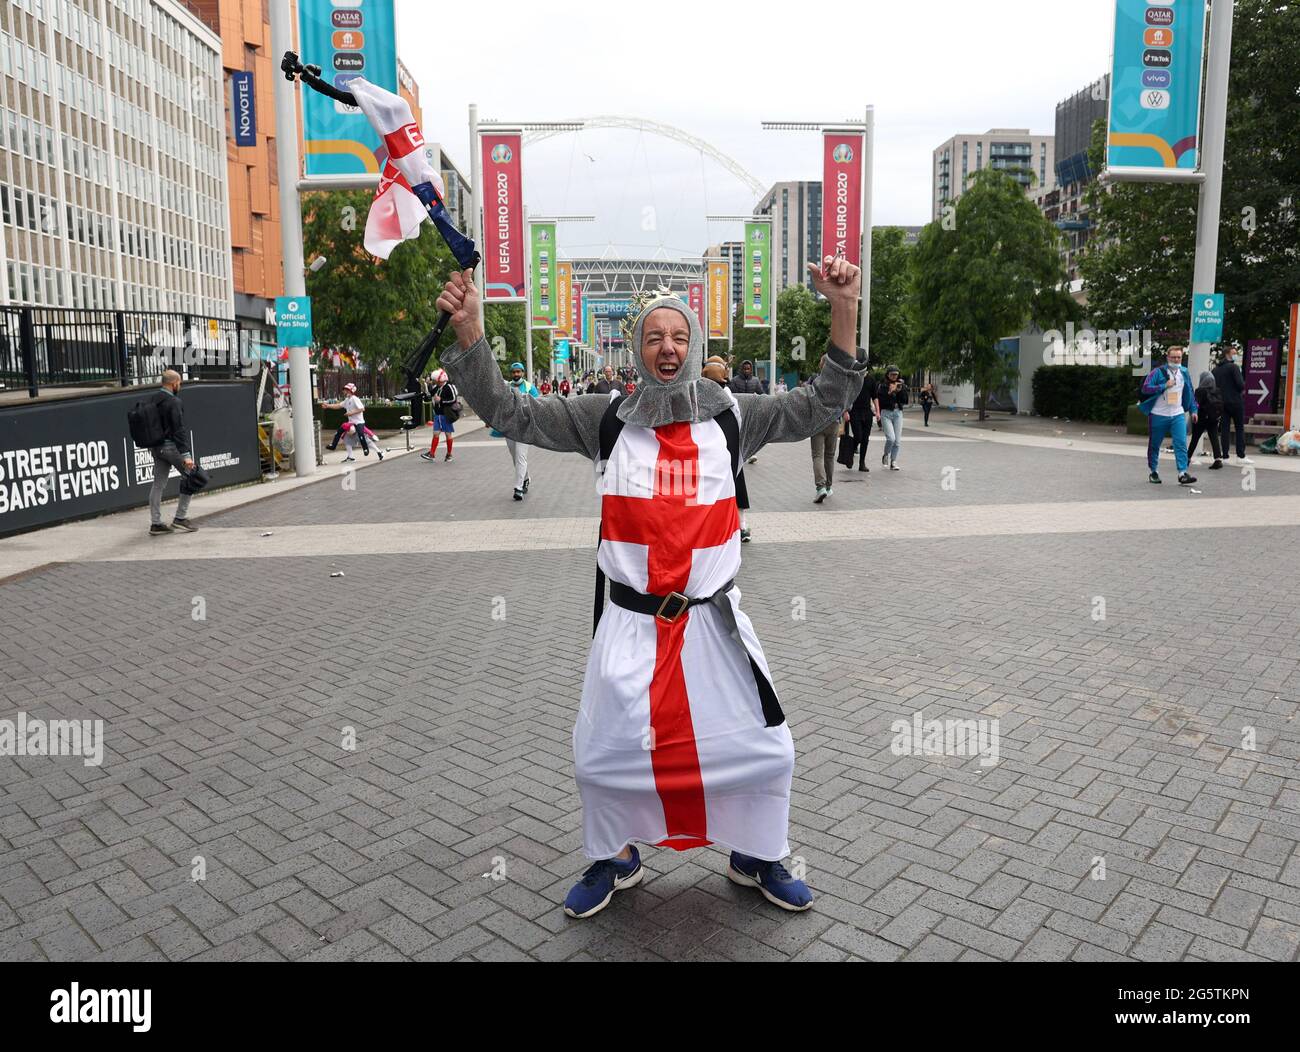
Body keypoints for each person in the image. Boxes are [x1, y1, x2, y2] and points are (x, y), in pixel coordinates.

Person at [435, 253, 867, 918]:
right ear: (638, 350)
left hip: (712, 626)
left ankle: (754, 852)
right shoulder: (603, 418)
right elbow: (510, 411)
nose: (668, 348)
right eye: (653, 337)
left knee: (765, 749)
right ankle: (617, 857)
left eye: (680, 336)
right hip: (631, 627)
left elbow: (823, 403)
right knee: (603, 757)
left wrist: (844, 307)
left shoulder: (733, 416)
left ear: (695, 346)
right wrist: (469, 333)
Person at [703, 355, 751, 540]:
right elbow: (739, 423)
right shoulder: (730, 398)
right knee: (736, 483)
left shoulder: (698, 395)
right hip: (728, 450)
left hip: (707, 452)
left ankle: (734, 524)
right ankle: (742, 525)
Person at [145, 368, 199, 535]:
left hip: (157, 447)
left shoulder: (152, 399)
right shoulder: (174, 402)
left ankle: (156, 523)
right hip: (171, 447)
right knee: (193, 477)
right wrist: (186, 456)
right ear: (174, 383)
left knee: (158, 484)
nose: (180, 386)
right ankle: (180, 518)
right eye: (179, 383)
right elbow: (179, 430)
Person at [1139, 346, 1198, 485]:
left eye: (1179, 357)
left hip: (1177, 413)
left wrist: (1194, 410)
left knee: (1181, 443)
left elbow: (1190, 391)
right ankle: (1154, 471)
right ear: (1168, 357)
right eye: (1173, 357)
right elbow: (1145, 388)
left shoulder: (1184, 372)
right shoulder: (1157, 372)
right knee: (1154, 444)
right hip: (1158, 414)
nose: (1176, 360)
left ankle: (1182, 473)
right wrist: (1163, 386)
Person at [503, 362, 537, 500]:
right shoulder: (506, 387)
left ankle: (518, 488)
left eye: (519, 372)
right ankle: (526, 478)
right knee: (515, 457)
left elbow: (538, 404)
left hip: (524, 427)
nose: (516, 374)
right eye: (514, 372)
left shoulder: (529, 387)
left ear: (523, 372)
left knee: (521, 456)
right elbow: (500, 405)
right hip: (510, 428)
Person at [1212, 346, 1250, 464]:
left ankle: (1225, 456)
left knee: (1224, 429)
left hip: (1221, 403)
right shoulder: (1233, 367)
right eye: (1234, 353)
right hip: (1235, 402)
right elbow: (1240, 385)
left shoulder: (1215, 370)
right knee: (1239, 427)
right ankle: (1241, 456)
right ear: (1228, 354)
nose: (1236, 355)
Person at [322, 382, 378, 460]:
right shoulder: (347, 400)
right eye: (344, 389)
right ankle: (333, 445)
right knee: (339, 431)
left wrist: (350, 413)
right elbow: (338, 406)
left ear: (350, 390)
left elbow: (362, 409)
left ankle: (365, 449)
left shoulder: (355, 399)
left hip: (359, 422)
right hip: (351, 423)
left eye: (346, 389)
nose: (344, 391)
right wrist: (328, 406)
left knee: (361, 434)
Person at [420, 368, 459, 462]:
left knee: (448, 434)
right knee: (436, 433)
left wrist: (441, 400)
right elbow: (430, 394)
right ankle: (432, 453)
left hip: (446, 414)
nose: (435, 382)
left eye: (436, 381)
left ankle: (449, 454)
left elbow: (453, 399)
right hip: (438, 414)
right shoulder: (438, 387)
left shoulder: (449, 386)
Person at [874, 366, 908, 470]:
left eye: (896, 374)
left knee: (897, 441)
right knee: (891, 438)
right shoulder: (882, 385)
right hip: (886, 413)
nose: (894, 376)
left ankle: (893, 462)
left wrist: (900, 391)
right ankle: (885, 454)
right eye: (892, 374)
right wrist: (890, 392)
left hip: (898, 413)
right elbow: (880, 401)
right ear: (887, 374)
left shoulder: (901, 385)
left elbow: (905, 400)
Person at [1189, 370, 1224, 470]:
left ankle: (1187, 458)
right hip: (1213, 418)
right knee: (1214, 438)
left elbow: (1196, 405)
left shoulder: (1200, 391)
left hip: (1201, 418)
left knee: (1195, 438)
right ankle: (1218, 459)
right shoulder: (1217, 390)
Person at [846, 359, 874, 472]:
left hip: (867, 412)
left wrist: (877, 410)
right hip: (855, 411)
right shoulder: (852, 379)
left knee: (865, 439)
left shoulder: (871, 380)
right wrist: (845, 411)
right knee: (858, 436)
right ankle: (850, 453)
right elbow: (846, 396)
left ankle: (862, 463)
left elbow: (875, 396)